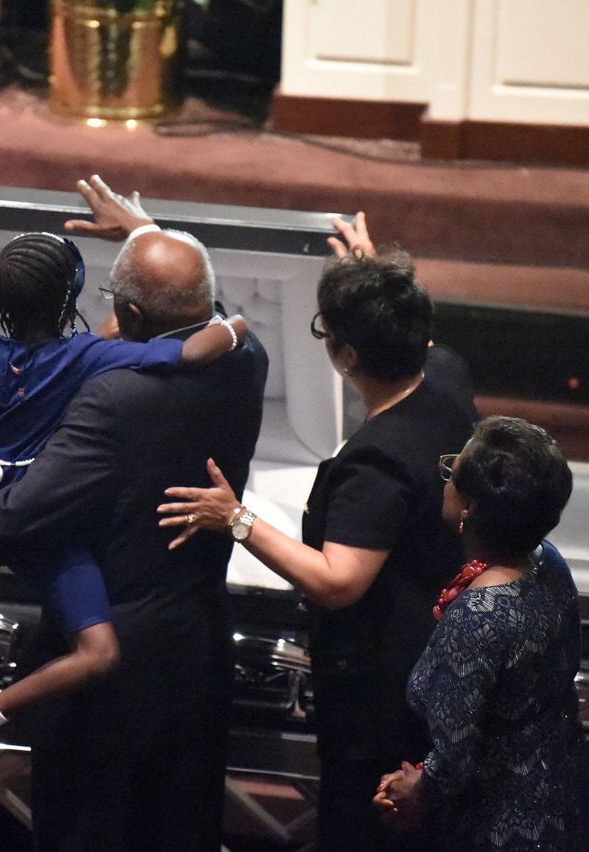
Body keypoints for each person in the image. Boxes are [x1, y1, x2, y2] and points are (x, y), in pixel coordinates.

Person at [0, 176, 268, 850]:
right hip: (197, 645)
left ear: (125, 315)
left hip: (109, 669)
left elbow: (17, 517)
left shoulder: (112, 397)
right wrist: (146, 233)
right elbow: (202, 312)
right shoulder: (247, 359)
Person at [157, 212, 478, 850]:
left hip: (381, 693)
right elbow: (420, 332)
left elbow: (337, 582)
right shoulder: (445, 377)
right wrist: (373, 278)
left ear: (347, 355)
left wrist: (236, 518)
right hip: (436, 659)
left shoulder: (376, 461)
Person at [373, 416, 589, 850]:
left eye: (452, 470)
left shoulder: (478, 615)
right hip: (562, 797)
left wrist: (415, 788)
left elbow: (454, 761)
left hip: (496, 827)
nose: (445, 477)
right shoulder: (549, 561)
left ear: (469, 507)